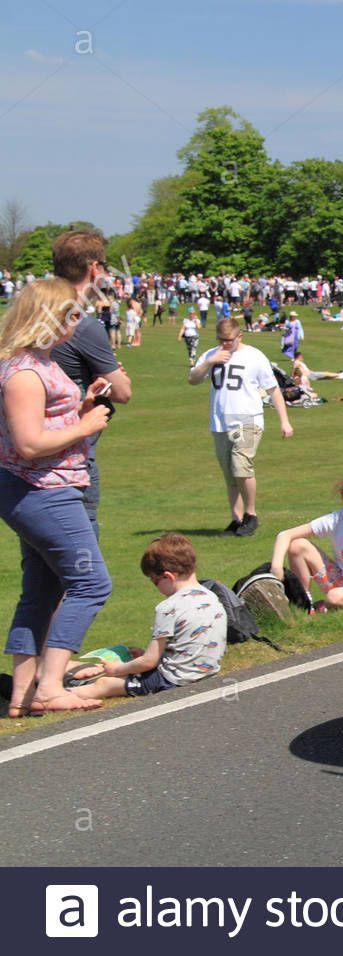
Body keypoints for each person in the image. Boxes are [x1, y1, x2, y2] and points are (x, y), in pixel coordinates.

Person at [1, 278, 112, 715]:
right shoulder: (24, 372)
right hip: (42, 489)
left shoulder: (37, 361)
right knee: (90, 584)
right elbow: (28, 443)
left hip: (49, 485)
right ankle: (49, 686)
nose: (76, 321)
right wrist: (85, 428)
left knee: (42, 589)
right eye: (69, 314)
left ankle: (22, 694)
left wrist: (81, 407)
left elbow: (44, 424)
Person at [69, 533, 226, 700]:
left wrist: (117, 670)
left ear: (168, 576)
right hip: (206, 674)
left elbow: (148, 662)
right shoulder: (211, 596)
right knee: (126, 671)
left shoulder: (168, 607)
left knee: (105, 684)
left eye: (155, 581)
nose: (156, 587)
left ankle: (57, 696)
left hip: (173, 680)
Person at [49, 230, 133, 540]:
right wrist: (113, 378)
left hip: (27, 460)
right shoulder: (82, 325)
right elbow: (123, 392)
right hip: (73, 456)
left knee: (40, 571)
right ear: (94, 269)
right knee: (84, 575)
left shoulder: (29, 319)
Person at [187, 317, 294, 536]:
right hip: (219, 421)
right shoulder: (210, 355)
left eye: (229, 340)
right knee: (230, 474)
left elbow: (273, 390)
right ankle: (236, 519)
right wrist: (209, 362)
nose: (225, 344)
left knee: (241, 466)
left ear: (239, 337)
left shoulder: (254, 356)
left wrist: (285, 421)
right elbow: (193, 380)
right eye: (221, 339)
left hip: (248, 419)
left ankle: (251, 514)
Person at [269, 468, 343, 613]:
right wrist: (276, 567)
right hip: (340, 581)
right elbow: (285, 535)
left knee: (333, 597)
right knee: (297, 545)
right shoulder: (335, 519)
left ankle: (328, 606)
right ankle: (304, 603)